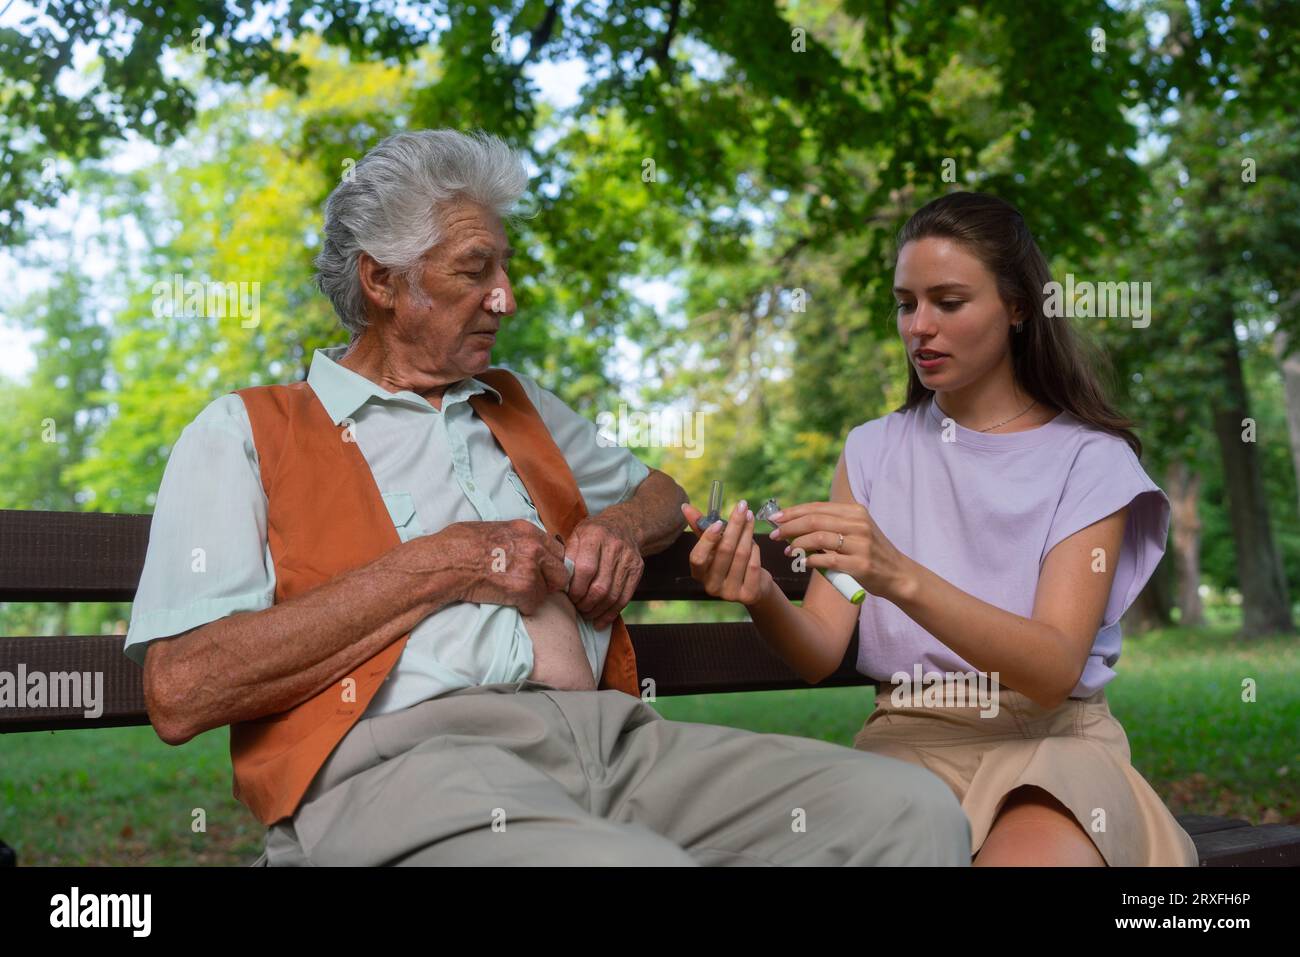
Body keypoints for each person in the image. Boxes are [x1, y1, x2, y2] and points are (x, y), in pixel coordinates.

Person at [123, 128, 971, 866]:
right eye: (474, 270)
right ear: (382, 283)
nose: (507, 296)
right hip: (405, 765)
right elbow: (183, 687)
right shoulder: (244, 432)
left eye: (505, 266)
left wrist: (617, 526)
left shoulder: (513, 403)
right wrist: (448, 563)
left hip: (612, 743)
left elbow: (663, 493)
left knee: (907, 813)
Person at [683, 191, 1199, 866]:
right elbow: (817, 648)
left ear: (1016, 307)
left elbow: (1051, 669)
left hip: (1052, 750)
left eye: (949, 302)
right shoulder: (871, 452)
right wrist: (758, 594)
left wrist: (898, 574)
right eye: (906, 303)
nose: (919, 326)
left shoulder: (1089, 461)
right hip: (905, 747)